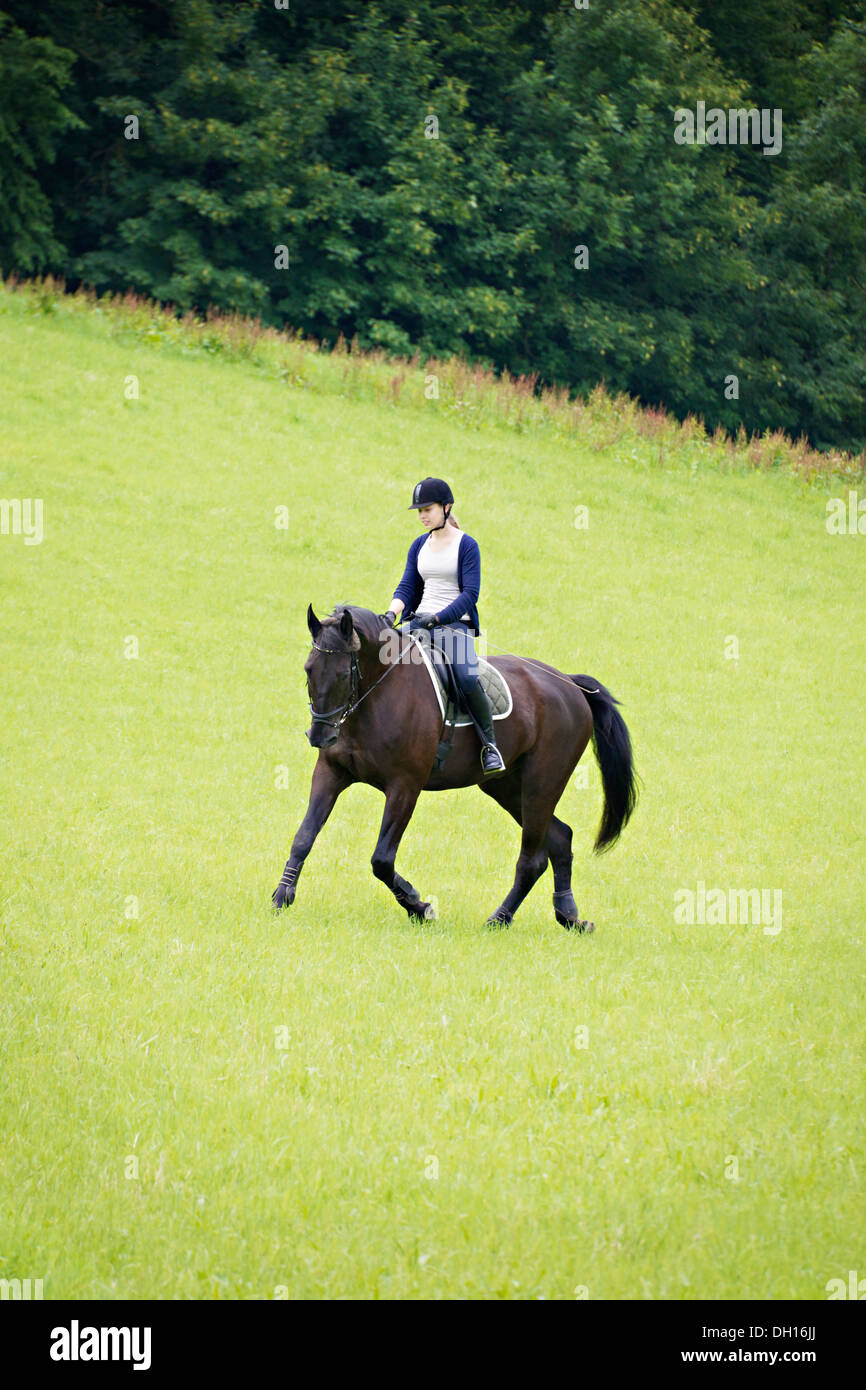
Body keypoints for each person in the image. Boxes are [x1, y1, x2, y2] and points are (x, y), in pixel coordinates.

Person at [381, 477, 507, 777]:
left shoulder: (467, 545)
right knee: (386, 662)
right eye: (419, 511)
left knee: (465, 676)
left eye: (428, 509)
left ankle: (490, 746)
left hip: (454, 627)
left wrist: (437, 618)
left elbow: (470, 595)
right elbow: (407, 586)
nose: (422, 515)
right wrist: (390, 614)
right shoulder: (419, 545)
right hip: (418, 622)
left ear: (446, 507)